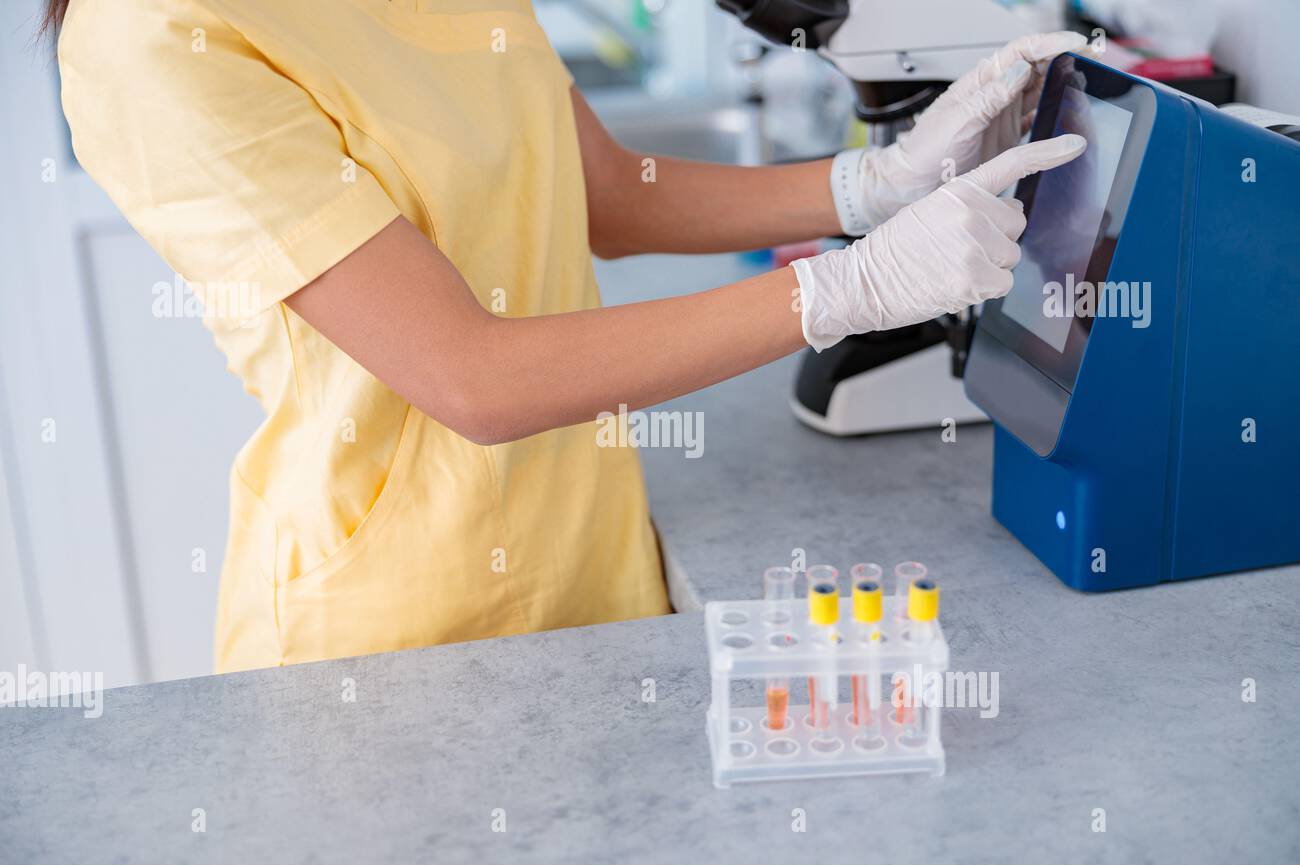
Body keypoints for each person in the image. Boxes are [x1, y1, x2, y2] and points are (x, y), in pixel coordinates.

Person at [47, 0, 1087, 671]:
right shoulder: (152, 36)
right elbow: (469, 375)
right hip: (398, 640)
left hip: (598, 555)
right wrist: (850, 286)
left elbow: (605, 193)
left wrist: (870, 184)